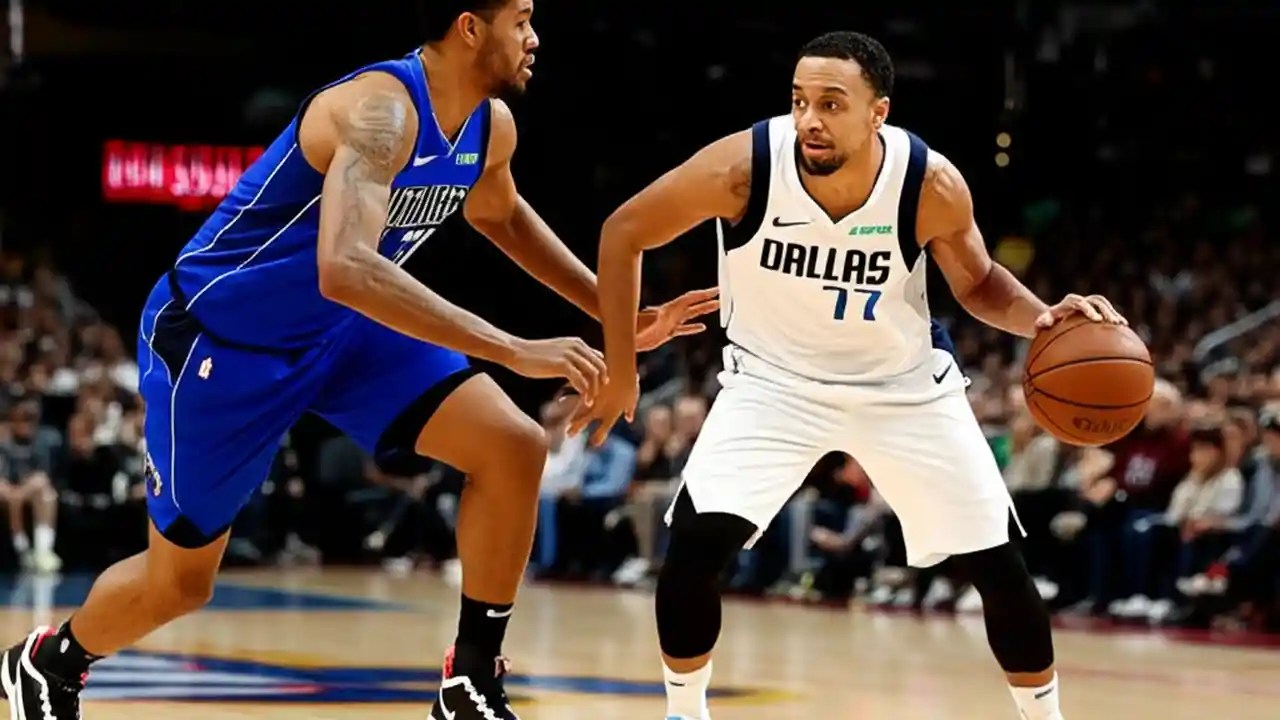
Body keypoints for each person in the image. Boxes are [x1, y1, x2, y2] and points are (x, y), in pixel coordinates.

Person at [0, 2, 716, 719]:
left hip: (342, 331)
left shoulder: (489, 124)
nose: (535, 37)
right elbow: (342, 266)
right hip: (225, 342)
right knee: (179, 584)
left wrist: (616, 311)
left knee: (513, 446)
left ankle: (469, 680)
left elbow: (499, 214)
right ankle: (51, 662)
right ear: (470, 27)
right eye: (521, 20)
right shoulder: (381, 113)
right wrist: (511, 349)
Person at [572, 31, 1126, 720]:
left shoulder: (929, 184)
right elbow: (623, 233)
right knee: (693, 550)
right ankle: (685, 712)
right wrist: (623, 370)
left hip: (901, 387)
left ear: (878, 113)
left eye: (831, 104)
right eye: (800, 100)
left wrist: (1045, 317)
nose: (809, 118)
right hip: (773, 383)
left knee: (998, 565)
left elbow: (980, 284)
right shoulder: (744, 168)